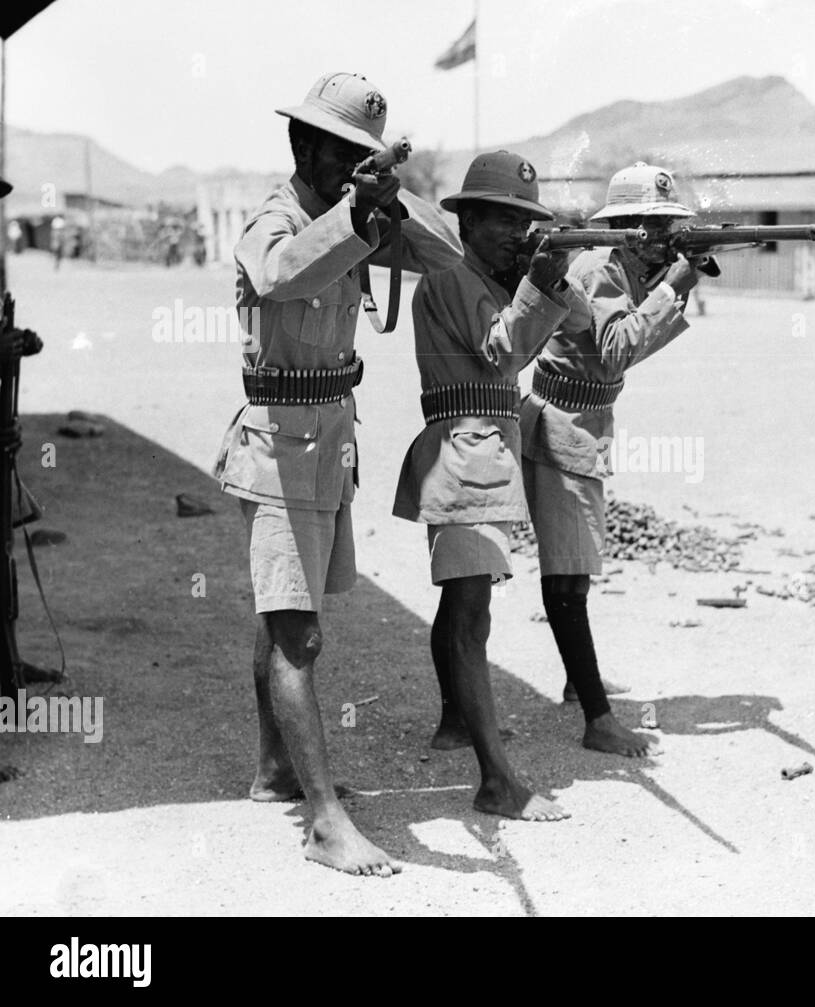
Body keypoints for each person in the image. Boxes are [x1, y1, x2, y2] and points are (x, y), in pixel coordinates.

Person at [212, 72, 462, 876]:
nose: (349, 165)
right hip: (278, 447)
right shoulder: (278, 220)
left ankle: (276, 770)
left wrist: (394, 195)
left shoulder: (351, 213)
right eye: (342, 151)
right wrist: (356, 214)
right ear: (302, 145)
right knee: (299, 633)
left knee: (286, 613)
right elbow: (285, 274)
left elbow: (449, 254)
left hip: (328, 442)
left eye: (364, 155)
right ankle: (324, 822)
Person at [393, 150, 590, 821]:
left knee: (461, 604)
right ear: (467, 220)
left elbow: (583, 326)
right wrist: (540, 280)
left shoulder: (495, 280)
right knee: (472, 612)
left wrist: (552, 272)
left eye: (526, 222)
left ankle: (456, 719)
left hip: (484, 451)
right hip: (462, 451)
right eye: (503, 220)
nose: (516, 234)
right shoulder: (451, 279)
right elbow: (504, 351)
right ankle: (495, 780)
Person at [519, 162, 703, 757]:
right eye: (656, 226)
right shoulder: (599, 267)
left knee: (579, 562)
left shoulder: (623, 267)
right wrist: (674, 288)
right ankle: (598, 719)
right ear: (628, 226)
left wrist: (669, 280)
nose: (665, 238)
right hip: (560, 427)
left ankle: (580, 680)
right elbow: (617, 347)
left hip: (585, 424)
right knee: (566, 578)